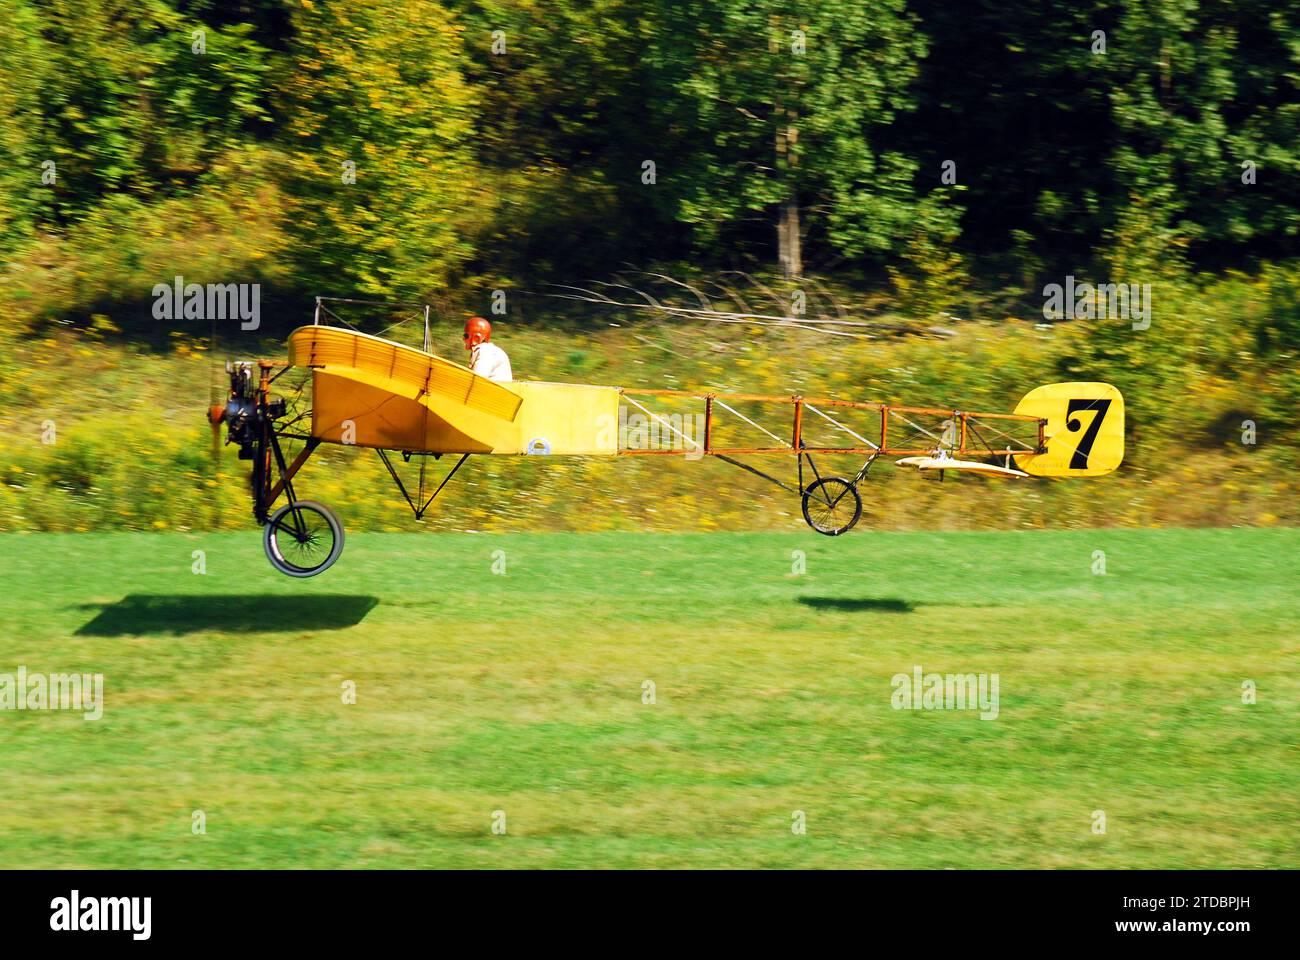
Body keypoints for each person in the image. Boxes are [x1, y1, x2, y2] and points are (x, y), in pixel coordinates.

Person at [463, 316, 512, 382]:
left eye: (466, 336)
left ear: (476, 338)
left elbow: (477, 379)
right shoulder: (485, 350)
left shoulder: (486, 352)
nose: (463, 339)